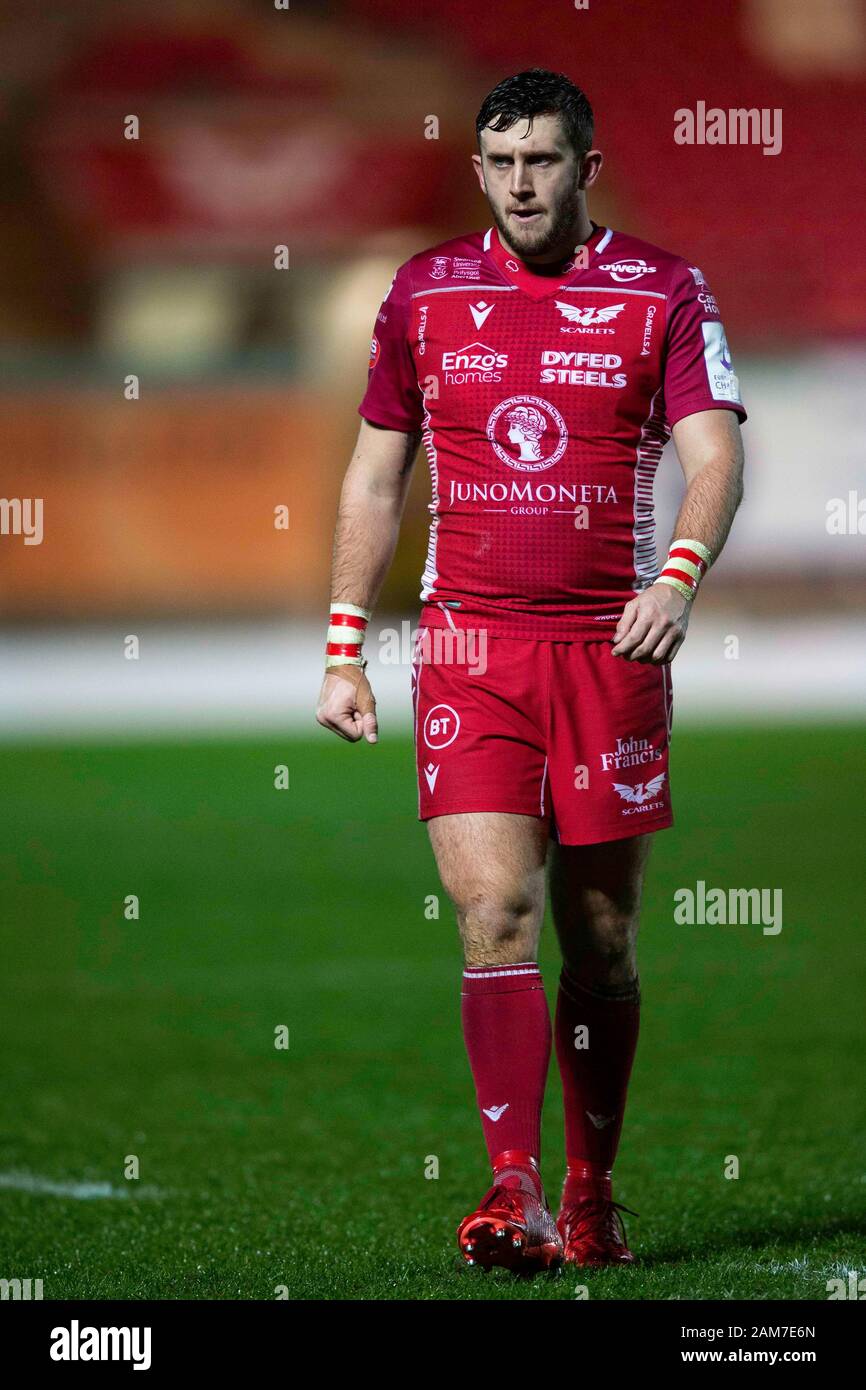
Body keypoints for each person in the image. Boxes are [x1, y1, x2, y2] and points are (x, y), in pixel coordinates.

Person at [316, 68, 745, 1271]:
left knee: (598, 933)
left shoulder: (661, 287)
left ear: (584, 168)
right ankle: (515, 1193)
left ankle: (591, 1187)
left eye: (542, 161)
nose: (519, 183)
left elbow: (712, 453)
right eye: (499, 162)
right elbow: (372, 475)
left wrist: (676, 575)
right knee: (494, 910)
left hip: (608, 650)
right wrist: (345, 642)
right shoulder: (423, 292)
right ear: (476, 169)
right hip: (466, 647)